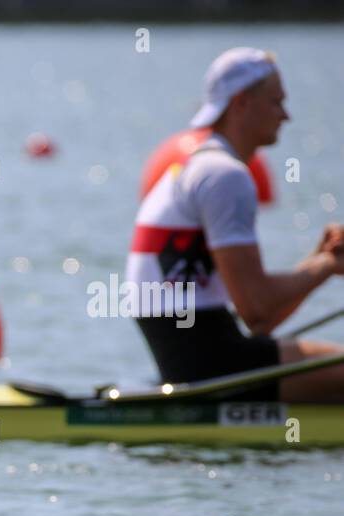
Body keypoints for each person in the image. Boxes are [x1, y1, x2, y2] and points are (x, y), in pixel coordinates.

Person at [125, 47, 344, 400]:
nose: (286, 115)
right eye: (276, 102)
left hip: (200, 353)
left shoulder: (203, 166)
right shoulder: (225, 176)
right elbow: (257, 311)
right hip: (212, 364)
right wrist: (327, 266)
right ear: (241, 103)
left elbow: (260, 321)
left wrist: (318, 262)